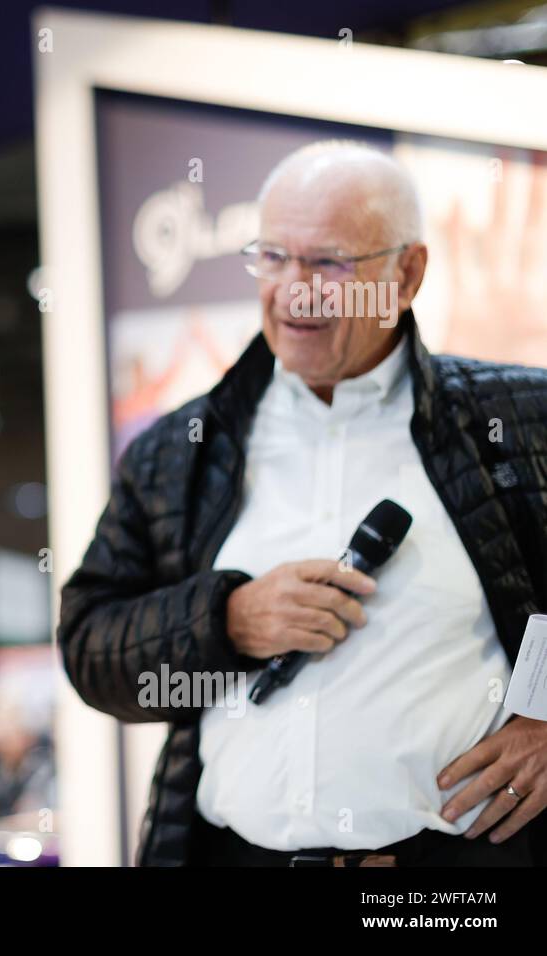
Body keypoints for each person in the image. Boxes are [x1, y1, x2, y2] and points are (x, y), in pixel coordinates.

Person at [59, 140, 547, 866]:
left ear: (406, 273)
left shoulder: (521, 417)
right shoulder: (179, 450)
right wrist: (227, 620)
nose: (293, 289)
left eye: (328, 262)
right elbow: (90, 646)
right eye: (273, 257)